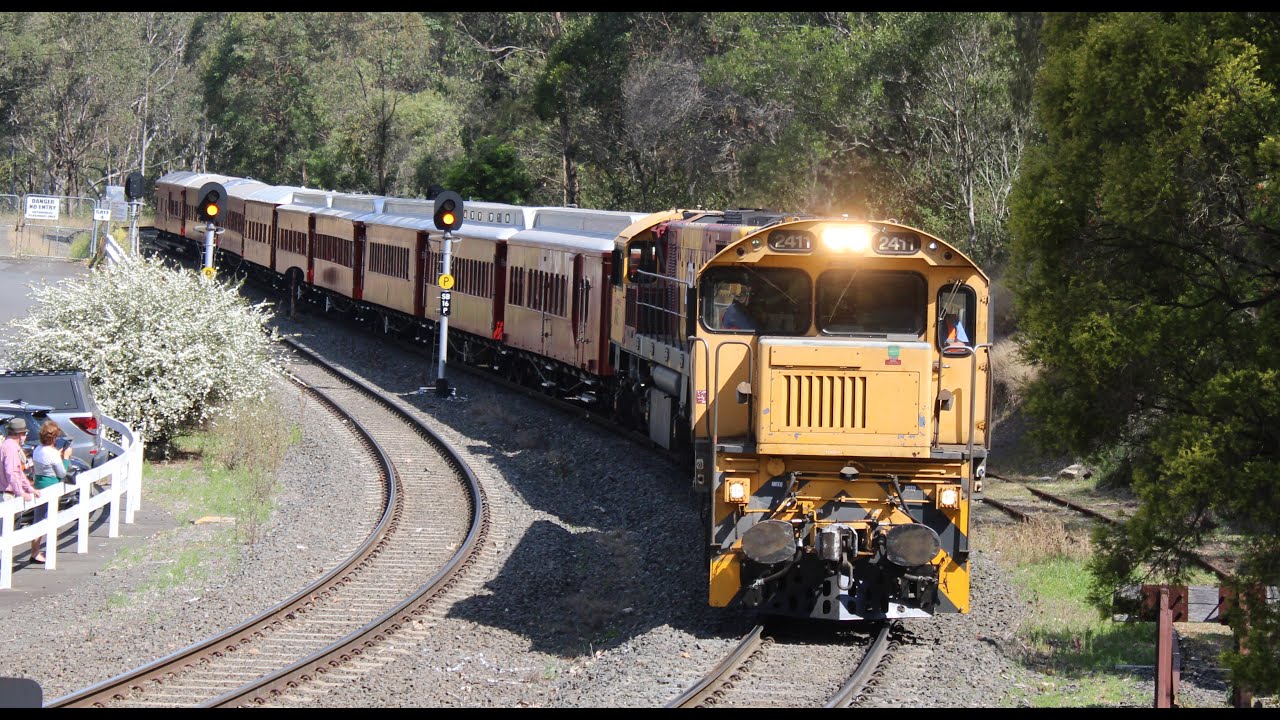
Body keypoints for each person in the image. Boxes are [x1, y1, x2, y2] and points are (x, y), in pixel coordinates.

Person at [29, 420, 70, 565]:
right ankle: (46, 553)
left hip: (39, 484)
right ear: (53, 437)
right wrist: (65, 458)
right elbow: (62, 473)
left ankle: (34, 551)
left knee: (38, 520)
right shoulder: (52, 453)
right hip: (51, 486)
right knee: (49, 520)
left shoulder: (37, 450)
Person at [1, 417, 41, 562]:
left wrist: (29, 488)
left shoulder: (9, 446)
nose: (25, 437)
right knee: (5, 533)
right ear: (20, 434)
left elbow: (19, 473)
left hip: (8, 492)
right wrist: (21, 493)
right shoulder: (11, 449)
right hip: (6, 494)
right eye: (24, 434)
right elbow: (11, 473)